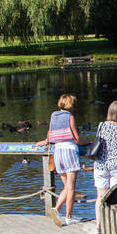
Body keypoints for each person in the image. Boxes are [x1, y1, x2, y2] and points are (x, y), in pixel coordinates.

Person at [93, 100, 117, 234]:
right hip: (116, 165)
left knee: (100, 197)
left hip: (100, 164)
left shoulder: (101, 126)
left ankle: (99, 225)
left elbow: (98, 142)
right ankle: (116, 226)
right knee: (115, 197)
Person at [47, 93, 82, 225]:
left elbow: (50, 135)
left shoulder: (53, 116)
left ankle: (57, 209)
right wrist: (86, 143)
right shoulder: (70, 116)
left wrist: (44, 141)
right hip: (69, 151)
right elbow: (76, 138)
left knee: (66, 186)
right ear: (70, 105)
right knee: (71, 187)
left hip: (58, 152)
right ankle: (67, 216)